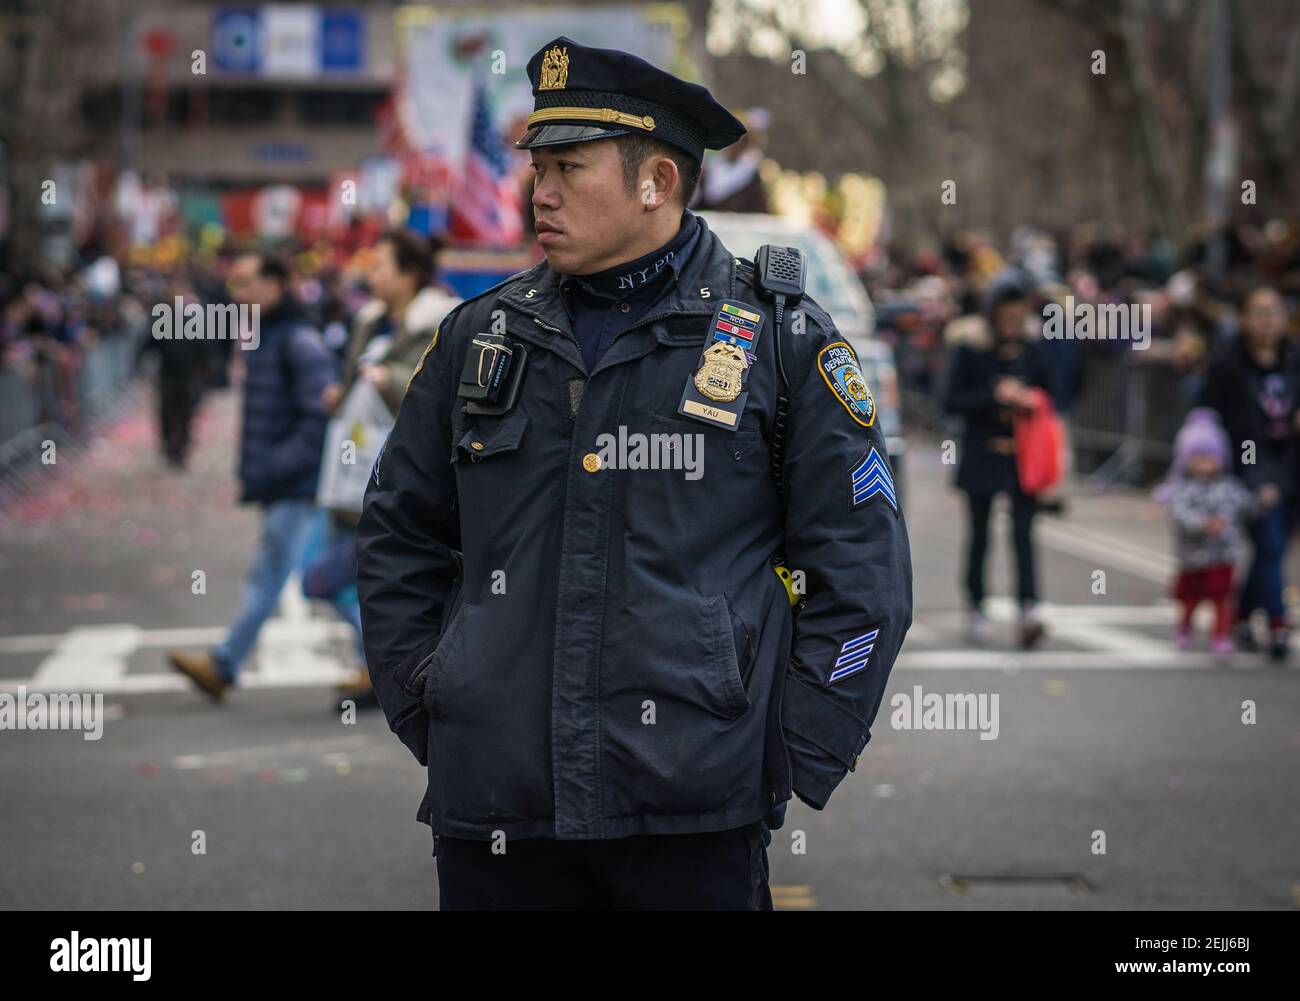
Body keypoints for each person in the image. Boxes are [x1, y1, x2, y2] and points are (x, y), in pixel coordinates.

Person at [356, 37, 912, 911]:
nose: (537, 192)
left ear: (655, 180)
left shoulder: (779, 339)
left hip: (693, 813)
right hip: (496, 808)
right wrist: (432, 697)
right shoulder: (478, 337)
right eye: (536, 167)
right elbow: (397, 535)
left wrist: (799, 744)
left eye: (567, 168)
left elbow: (863, 569)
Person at [167, 252, 337, 698]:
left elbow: (318, 420)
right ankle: (225, 664)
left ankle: (225, 664)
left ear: (275, 284)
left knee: (305, 576)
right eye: (235, 285)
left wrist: (275, 466)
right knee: (304, 575)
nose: (237, 295)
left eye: (246, 284)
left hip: (294, 485)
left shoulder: (298, 341)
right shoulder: (268, 335)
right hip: (283, 482)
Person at [319, 230, 460, 706]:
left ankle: (388, 667)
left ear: (409, 273)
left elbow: (436, 393)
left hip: (401, 473)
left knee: (345, 577)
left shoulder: (439, 321)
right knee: (326, 576)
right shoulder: (369, 320)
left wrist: (389, 379)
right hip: (352, 466)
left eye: (381, 264)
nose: (371, 274)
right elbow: (350, 380)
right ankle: (383, 664)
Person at [942, 279, 1052, 648]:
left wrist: (1029, 398)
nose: (1013, 321)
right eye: (1006, 314)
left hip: (1024, 455)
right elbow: (950, 400)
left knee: (1024, 534)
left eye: (1018, 314)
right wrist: (993, 394)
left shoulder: (1035, 351)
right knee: (980, 535)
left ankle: (1029, 609)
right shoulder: (971, 348)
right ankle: (975, 606)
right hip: (981, 451)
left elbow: (1056, 391)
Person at [1198, 286, 1298, 660]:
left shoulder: (1294, 358)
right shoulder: (1228, 363)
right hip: (1249, 459)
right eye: (1259, 312)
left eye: (1274, 311)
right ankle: (1277, 623)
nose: (1268, 320)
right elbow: (1205, 416)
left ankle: (1240, 613)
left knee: (1275, 547)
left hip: (1290, 460)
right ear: (1243, 319)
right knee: (1269, 542)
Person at [1156, 409, 1270, 655]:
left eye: (1211, 457)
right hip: (1193, 557)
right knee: (1190, 600)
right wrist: (1202, 524)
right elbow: (1178, 515)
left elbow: (1246, 506)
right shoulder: (1183, 489)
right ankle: (1184, 628)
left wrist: (1261, 501)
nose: (1206, 463)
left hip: (1223, 556)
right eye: (1199, 457)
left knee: (1223, 600)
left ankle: (1220, 635)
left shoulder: (1229, 487)